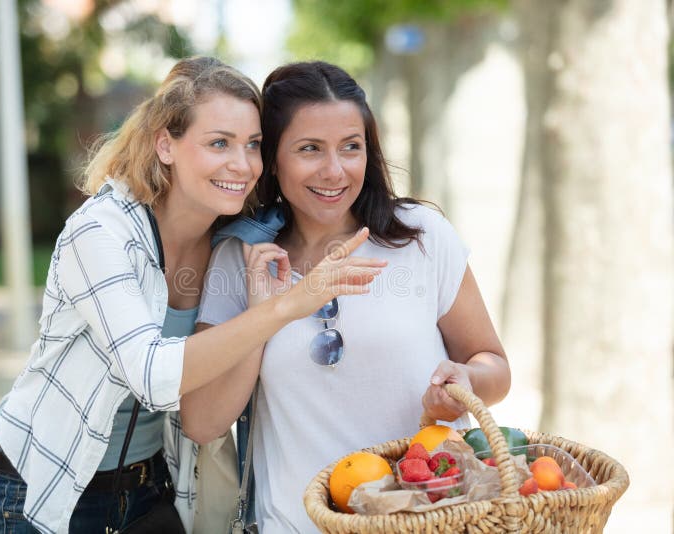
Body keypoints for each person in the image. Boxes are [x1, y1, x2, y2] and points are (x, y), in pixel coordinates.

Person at [0, 57, 385, 534]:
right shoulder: (99, 233)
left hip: (152, 485)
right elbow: (153, 375)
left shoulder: (234, 242)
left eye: (253, 145)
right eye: (219, 143)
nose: (242, 164)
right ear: (165, 145)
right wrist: (286, 306)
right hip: (49, 482)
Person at [192, 61, 511, 533]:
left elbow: (495, 368)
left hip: (431, 519)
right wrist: (266, 313)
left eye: (351, 147)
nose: (335, 170)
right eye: (309, 149)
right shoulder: (241, 259)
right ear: (272, 160)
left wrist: (467, 378)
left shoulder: (424, 238)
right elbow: (202, 421)